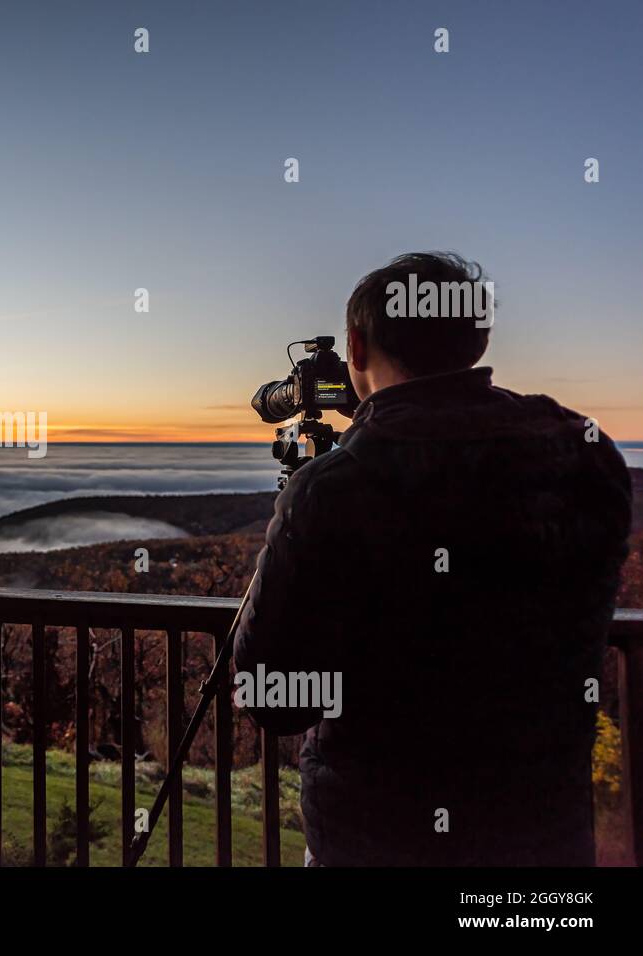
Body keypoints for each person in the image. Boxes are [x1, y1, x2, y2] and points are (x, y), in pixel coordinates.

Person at [233, 252, 632, 865]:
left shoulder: (339, 487)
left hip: (378, 836)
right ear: (478, 338)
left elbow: (275, 699)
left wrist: (298, 506)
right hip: (545, 831)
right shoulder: (586, 451)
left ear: (356, 346)